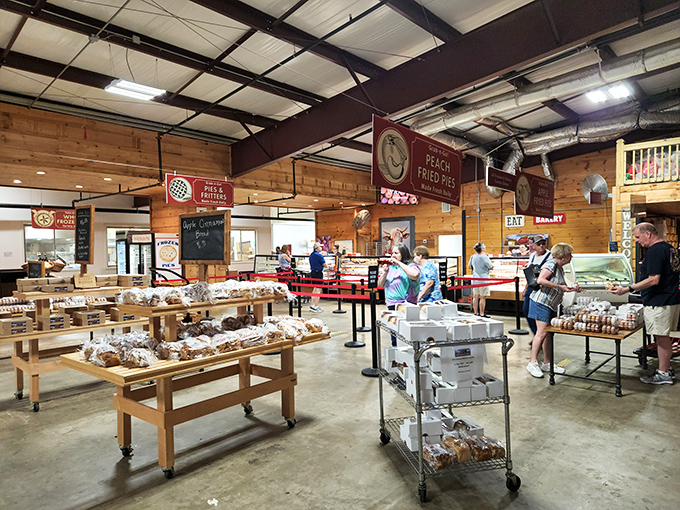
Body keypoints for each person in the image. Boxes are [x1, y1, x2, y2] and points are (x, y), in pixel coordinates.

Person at [610, 222, 680, 385]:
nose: (636, 241)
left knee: (661, 339)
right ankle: (666, 369)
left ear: (648, 234)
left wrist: (627, 289)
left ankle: (663, 374)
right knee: (664, 338)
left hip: (660, 302)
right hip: (671, 299)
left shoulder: (655, 250)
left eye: (637, 237)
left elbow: (654, 279)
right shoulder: (669, 248)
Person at [526, 243, 582, 378]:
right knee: (541, 333)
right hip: (541, 303)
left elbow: (560, 285)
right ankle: (532, 363)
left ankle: (547, 362)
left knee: (548, 334)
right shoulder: (551, 264)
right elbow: (541, 280)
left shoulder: (559, 267)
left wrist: (571, 288)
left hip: (550, 304)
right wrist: (559, 287)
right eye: (569, 254)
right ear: (563, 256)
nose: (571, 257)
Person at [378, 243, 421, 346]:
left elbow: (415, 275)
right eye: (392, 253)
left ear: (403, 254)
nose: (393, 255)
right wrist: (385, 272)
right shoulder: (391, 267)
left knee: (406, 334)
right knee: (394, 333)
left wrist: (399, 263)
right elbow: (380, 284)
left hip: (405, 305)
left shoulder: (411, 266)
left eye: (396, 253)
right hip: (392, 305)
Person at [522, 236, 551, 336]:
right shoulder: (532, 256)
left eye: (543, 243)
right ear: (533, 245)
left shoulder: (550, 256)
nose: (541, 246)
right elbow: (529, 274)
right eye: (539, 244)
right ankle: (536, 334)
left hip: (543, 289)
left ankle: (542, 336)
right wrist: (525, 288)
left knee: (541, 315)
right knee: (526, 310)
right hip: (531, 287)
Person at [468, 242, 493, 317]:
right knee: (482, 297)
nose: (485, 246)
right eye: (484, 246)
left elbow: (470, 267)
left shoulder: (472, 256)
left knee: (475, 296)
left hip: (475, 279)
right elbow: (491, 267)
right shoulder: (484, 257)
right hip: (483, 279)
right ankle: (482, 313)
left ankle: (475, 312)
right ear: (482, 248)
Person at [308, 242, 327, 313]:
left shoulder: (311, 255)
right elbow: (325, 265)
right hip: (318, 273)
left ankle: (312, 305)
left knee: (314, 289)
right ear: (317, 248)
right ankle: (316, 306)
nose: (321, 248)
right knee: (318, 290)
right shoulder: (319, 256)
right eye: (320, 247)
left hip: (313, 272)